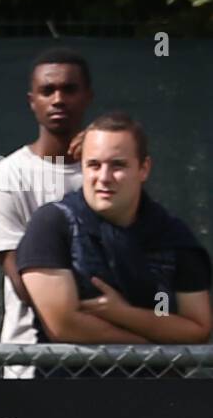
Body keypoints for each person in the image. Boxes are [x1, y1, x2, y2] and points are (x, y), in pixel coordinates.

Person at [16, 112, 211, 368]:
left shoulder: (173, 236)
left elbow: (197, 329)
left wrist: (121, 313)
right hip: (70, 394)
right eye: (94, 165)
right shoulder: (52, 224)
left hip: (158, 396)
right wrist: (155, 354)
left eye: (118, 165)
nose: (104, 178)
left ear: (144, 168)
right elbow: (64, 325)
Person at [0, 48, 93, 378]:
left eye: (69, 89)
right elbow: (28, 286)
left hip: (117, 362)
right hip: (32, 362)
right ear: (32, 100)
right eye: (47, 90)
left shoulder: (110, 174)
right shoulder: (6, 178)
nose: (58, 99)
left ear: (87, 96)